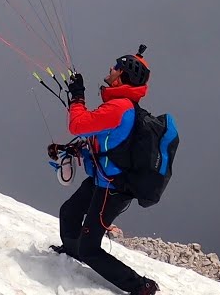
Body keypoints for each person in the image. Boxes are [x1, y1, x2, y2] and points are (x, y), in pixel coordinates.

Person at [48, 52, 160, 295]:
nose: (110, 68)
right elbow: (101, 144)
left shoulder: (120, 107)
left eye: (116, 67)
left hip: (113, 188)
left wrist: (77, 97)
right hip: (103, 180)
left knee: (90, 248)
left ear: (122, 76)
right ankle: (71, 252)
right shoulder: (118, 105)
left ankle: (141, 286)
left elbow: (78, 124)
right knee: (69, 212)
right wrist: (71, 149)